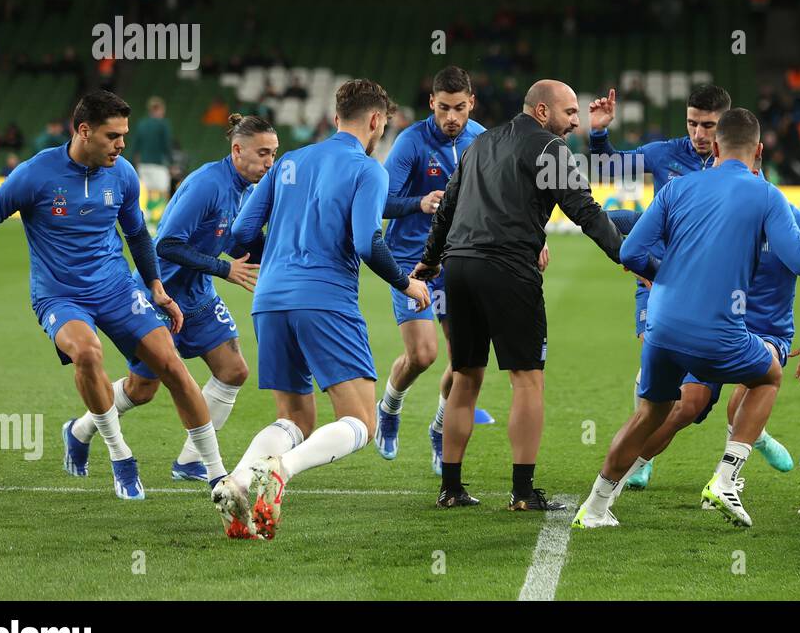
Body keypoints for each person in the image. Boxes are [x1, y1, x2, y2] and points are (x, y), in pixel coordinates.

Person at [0, 91, 228, 504]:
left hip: (115, 288)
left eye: (124, 135)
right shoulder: (35, 174)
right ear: (84, 131)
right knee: (88, 352)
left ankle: (217, 476)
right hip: (59, 295)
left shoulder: (123, 174)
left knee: (169, 362)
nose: (121, 144)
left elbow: (136, 234)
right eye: (113, 135)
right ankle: (121, 457)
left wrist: (155, 287)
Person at [572, 109, 800, 530]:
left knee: (650, 413)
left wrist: (668, 277)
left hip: (662, 325)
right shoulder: (767, 196)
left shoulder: (678, 188)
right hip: (718, 330)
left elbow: (629, 253)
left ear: (714, 147)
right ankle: (727, 479)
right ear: (760, 152)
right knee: (768, 374)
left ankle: (597, 507)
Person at [214, 80, 430, 540]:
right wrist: (407, 283)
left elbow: (239, 232)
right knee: (361, 421)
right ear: (376, 121)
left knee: (294, 419)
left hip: (269, 299)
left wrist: (280, 255)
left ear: (336, 118)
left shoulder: (289, 161)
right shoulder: (369, 170)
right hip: (324, 298)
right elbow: (367, 243)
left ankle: (235, 482)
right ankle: (280, 472)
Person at [415, 80, 624, 512]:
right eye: (569, 112)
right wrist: (629, 257)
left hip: (460, 268)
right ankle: (523, 492)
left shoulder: (480, 143)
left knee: (465, 373)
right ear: (543, 112)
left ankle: (450, 488)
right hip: (508, 269)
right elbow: (585, 210)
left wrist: (431, 260)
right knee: (527, 378)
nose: (574, 121)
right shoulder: (550, 149)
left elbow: (449, 207)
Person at [61, 115, 276, 512]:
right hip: (157, 294)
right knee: (143, 390)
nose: (269, 162)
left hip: (198, 293)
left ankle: (191, 461)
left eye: (274, 154)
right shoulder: (208, 184)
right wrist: (225, 268)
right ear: (237, 150)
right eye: (263, 153)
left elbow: (242, 239)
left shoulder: (248, 190)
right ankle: (79, 429)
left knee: (234, 370)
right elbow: (166, 246)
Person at [610, 172, 800, 494]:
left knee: (754, 383)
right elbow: (638, 221)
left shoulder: (790, 217)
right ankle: (631, 469)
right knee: (686, 407)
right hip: (716, 323)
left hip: (766, 332)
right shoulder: (713, 209)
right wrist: (583, 214)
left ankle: (726, 478)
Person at [585, 83, 732, 413]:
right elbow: (611, 167)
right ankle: (641, 457)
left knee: (697, 404)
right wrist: (598, 133)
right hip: (659, 278)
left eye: (708, 125)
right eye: (692, 123)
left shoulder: (740, 166)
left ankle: (752, 431)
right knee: (656, 358)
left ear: (726, 123)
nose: (698, 133)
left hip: (712, 288)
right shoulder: (666, 153)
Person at [376, 66, 486, 473]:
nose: (451, 117)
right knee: (422, 355)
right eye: (444, 108)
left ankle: (439, 430)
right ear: (431, 104)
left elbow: (503, 196)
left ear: (471, 103)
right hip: (410, 261)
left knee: (464, 362)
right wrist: (419, 202)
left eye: (459, 108)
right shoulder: (411, 143)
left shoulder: (482, 140)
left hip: (458, 260)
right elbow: (382, 203)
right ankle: (389, 407)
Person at [131, 96, 174, 212]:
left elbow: (135, 147)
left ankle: (148, 218)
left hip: (143, 165)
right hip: (158, 164)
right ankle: (162, 218)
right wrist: (172, 163)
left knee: (148, 193)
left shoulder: (142, 124)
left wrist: (134, 164)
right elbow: (166, 146)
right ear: (160, 109)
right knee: (164, 193)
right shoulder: (163, 124)